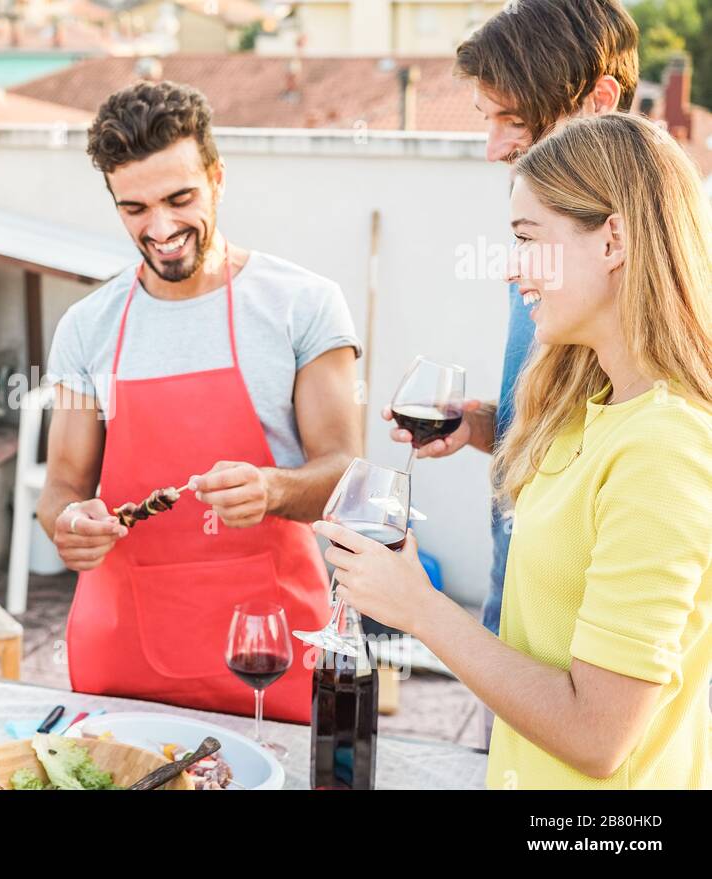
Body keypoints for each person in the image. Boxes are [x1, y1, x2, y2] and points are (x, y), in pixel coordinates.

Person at [320, 114, 712, 788]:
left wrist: (418, 608)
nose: (512, 266)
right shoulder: (591, 406)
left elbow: (598, 737)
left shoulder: (665, 448)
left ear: (613, 238)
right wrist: (478, 425)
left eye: (527, 238)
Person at [39, 81, 363, 721]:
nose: (159, 229)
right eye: (134, 208)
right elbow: (61, 487)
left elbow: (347, 480)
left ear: (217, 178)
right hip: (122, 647)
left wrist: (271, 488)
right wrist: (67, 526)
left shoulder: (303, 305)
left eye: (179, 199)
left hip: (272, 647)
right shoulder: (86, 325)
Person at [385, 0, 640, 639]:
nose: (495, 148)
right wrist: (483, 427)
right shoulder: (545, 237)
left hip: (588, 617)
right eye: (488, 119)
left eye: (515, 119)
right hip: (514, 578)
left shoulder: (652, 277)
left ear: (598, 101)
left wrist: (422, 612)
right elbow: (564, 427)